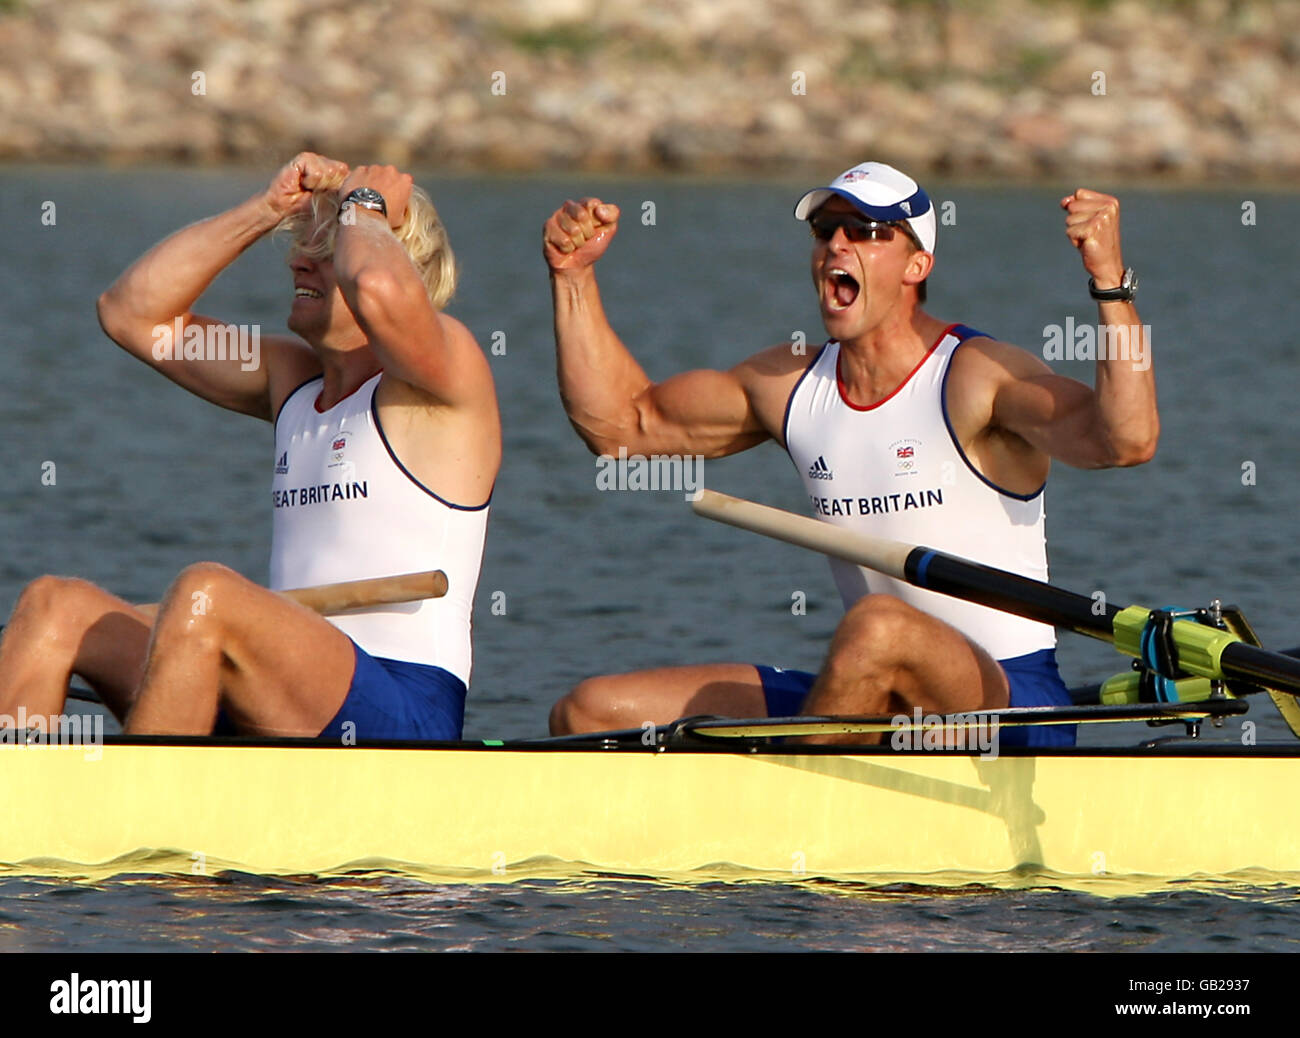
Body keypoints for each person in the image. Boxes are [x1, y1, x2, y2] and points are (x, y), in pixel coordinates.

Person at [542, 161, 1157, 746]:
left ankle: (794, 816)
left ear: (918, 264)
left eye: (866, 232)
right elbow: (622, 429)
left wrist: (1110, 282)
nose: (837, 245)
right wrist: (573, 277)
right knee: (590, 710)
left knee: (877, 625)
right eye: (825, 230)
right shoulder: (788, 383)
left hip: (1009, 700)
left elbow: (1126, 439)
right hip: (875, 690)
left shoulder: (975, 377)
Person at [0, 153, 500, 738]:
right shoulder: (287, 376)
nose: (296, 262)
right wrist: (265, 209)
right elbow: (131, 313)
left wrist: (365, 209)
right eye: (300, 245)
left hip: (403, 706)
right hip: (271, 684)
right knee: (51, 607)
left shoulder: (444, 377)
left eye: (322, 250)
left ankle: (141, 813)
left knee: (206, 592)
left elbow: (381, 288)